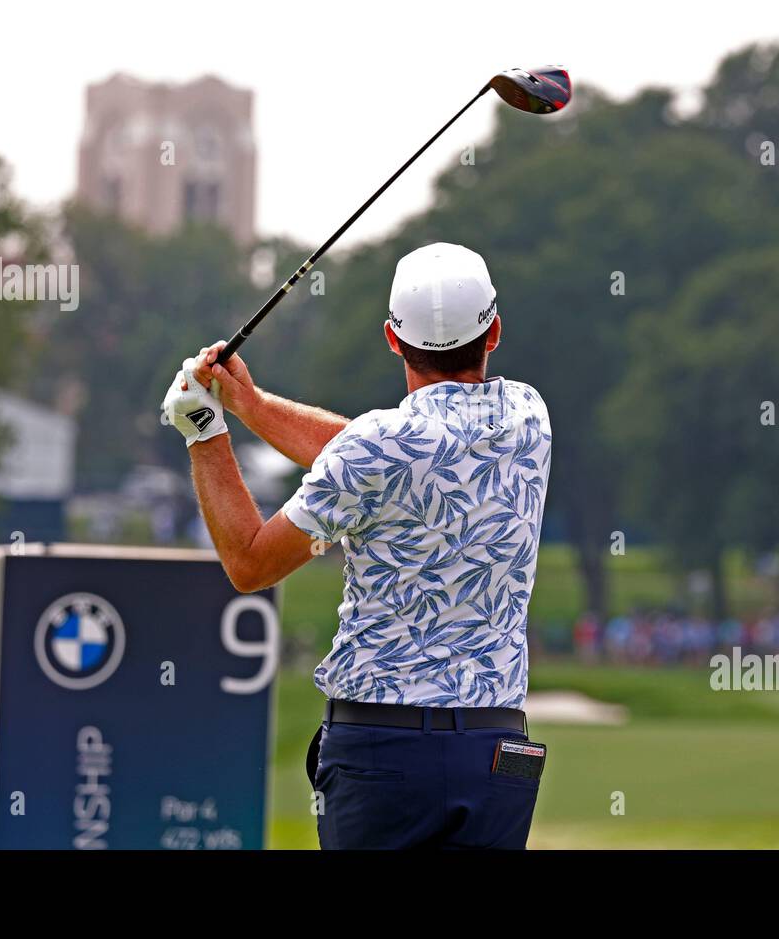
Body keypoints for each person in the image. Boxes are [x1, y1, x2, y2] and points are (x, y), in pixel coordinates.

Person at [161, 243, 552, 849]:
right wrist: (253, 406)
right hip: (497, 751)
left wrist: (206, 431)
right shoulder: (529, 415)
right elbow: (386, 456)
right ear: (493, 332)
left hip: (382, 750)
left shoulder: (375, 449)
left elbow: (250, 563)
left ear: (393, 340)